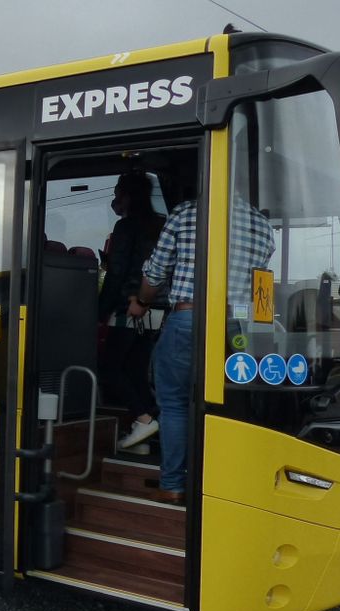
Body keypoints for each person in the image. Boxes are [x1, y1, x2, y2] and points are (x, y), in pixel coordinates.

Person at [129, 195, 273, 504]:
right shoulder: (263, 226)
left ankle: (172, 485)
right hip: (238, 326)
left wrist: (141, 303)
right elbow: (261, 285)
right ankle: (221, 485)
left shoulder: (186, 212)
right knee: (230, 404)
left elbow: (155, 272)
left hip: (188, 319)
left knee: (176, 403)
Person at [96, 173, 165, 451]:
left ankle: (144, 419)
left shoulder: (126, 227)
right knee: (137, 372)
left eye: (117, 193)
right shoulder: (161, 225)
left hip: (129, 308)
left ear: (128, 196)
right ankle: (143, 437)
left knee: (109, 368)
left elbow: (117, 274)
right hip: (157, 310)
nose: (114, 199)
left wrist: (100, 310)